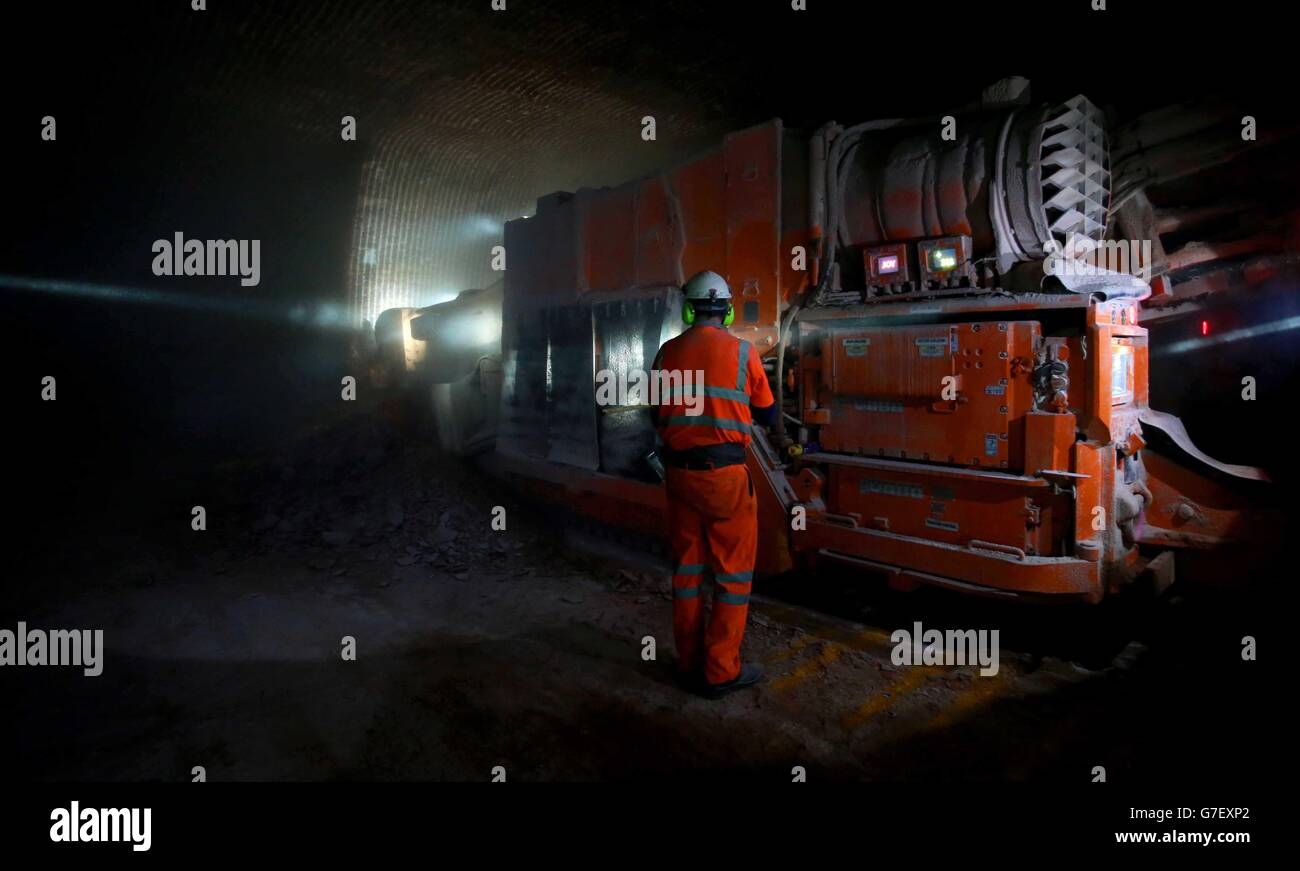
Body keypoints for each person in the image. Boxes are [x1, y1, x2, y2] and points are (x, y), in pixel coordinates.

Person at [651, 270, 777, 698]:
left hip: (679, 477)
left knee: (687, 572)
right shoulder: (744, 354)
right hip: (725, 480)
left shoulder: (666, 353)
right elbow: (768, 415)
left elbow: (656, 416)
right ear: (727, 309)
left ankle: (688, 664)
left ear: (688, 309)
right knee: (733, 577)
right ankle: (721, 671)